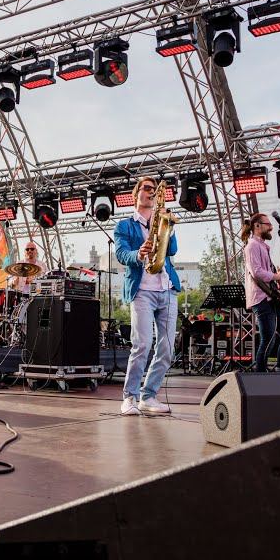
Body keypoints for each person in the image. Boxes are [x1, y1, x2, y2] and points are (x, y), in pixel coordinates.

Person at [113, 177, 181, 415]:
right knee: (142, 345)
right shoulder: (124, 225)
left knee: (167, 349)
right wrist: (138, 254)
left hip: (167, 289)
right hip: (141, 290)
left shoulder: (163, 219)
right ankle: (129, 397)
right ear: (136, 194)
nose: (151, 192)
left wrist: (167, 225)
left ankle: (148, 396)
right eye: (147, 188)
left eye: (154, 189)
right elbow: (121, 254)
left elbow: (172, 250)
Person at [242, 213, 280, 373]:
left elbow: (264, 273)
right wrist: (277, 277)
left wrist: (276, 279)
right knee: (268, 341)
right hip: (261, 300)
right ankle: (261, 376)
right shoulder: (252, 246)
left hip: (270, 298)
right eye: (268, 224)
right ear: (257, 226)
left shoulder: (262, 246)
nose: (271, 227)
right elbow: (257, 272)